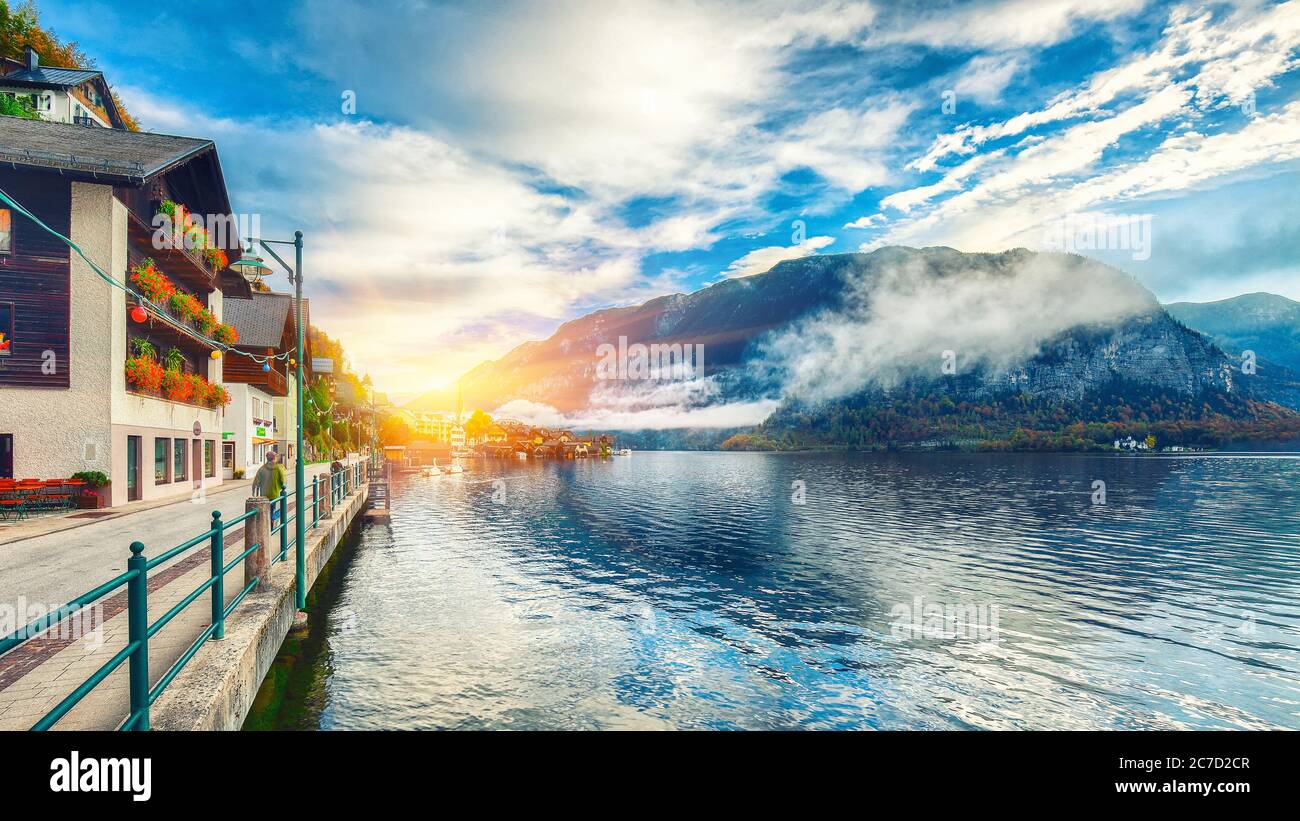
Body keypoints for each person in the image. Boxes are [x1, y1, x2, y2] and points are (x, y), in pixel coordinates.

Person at [252, 452, 288, 527]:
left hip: (264, 495)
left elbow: (256, 482)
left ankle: (269, 523)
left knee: (267, 510)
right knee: (281, 509)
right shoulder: (279, 468)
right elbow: (283, 481)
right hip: (275, 494)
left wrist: (255, 491)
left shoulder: (262, 469)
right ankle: (272, 519)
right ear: (274, 458)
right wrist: (283, 485)